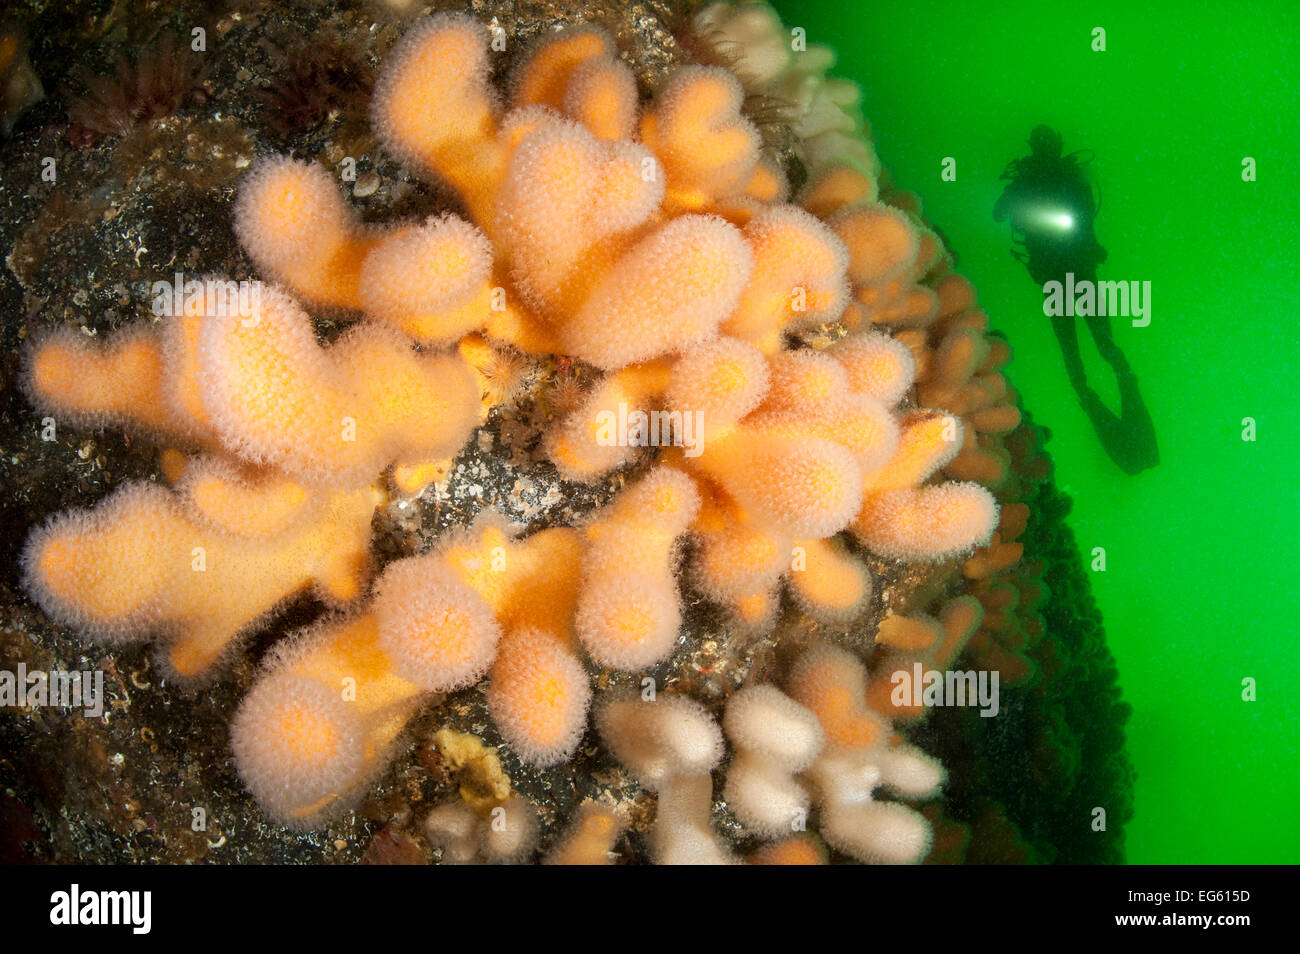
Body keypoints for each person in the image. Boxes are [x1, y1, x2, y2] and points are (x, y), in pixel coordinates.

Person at [995, 125, 1158, 474]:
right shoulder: (1065, 176)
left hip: (1056, 269)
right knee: (1101, 342)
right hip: (1075, 267)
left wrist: (1021, 192)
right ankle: (1120, 393)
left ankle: (1103, 401)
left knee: (1077, 344)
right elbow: (1083, 220)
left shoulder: (1039, 178)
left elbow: (999, 213)